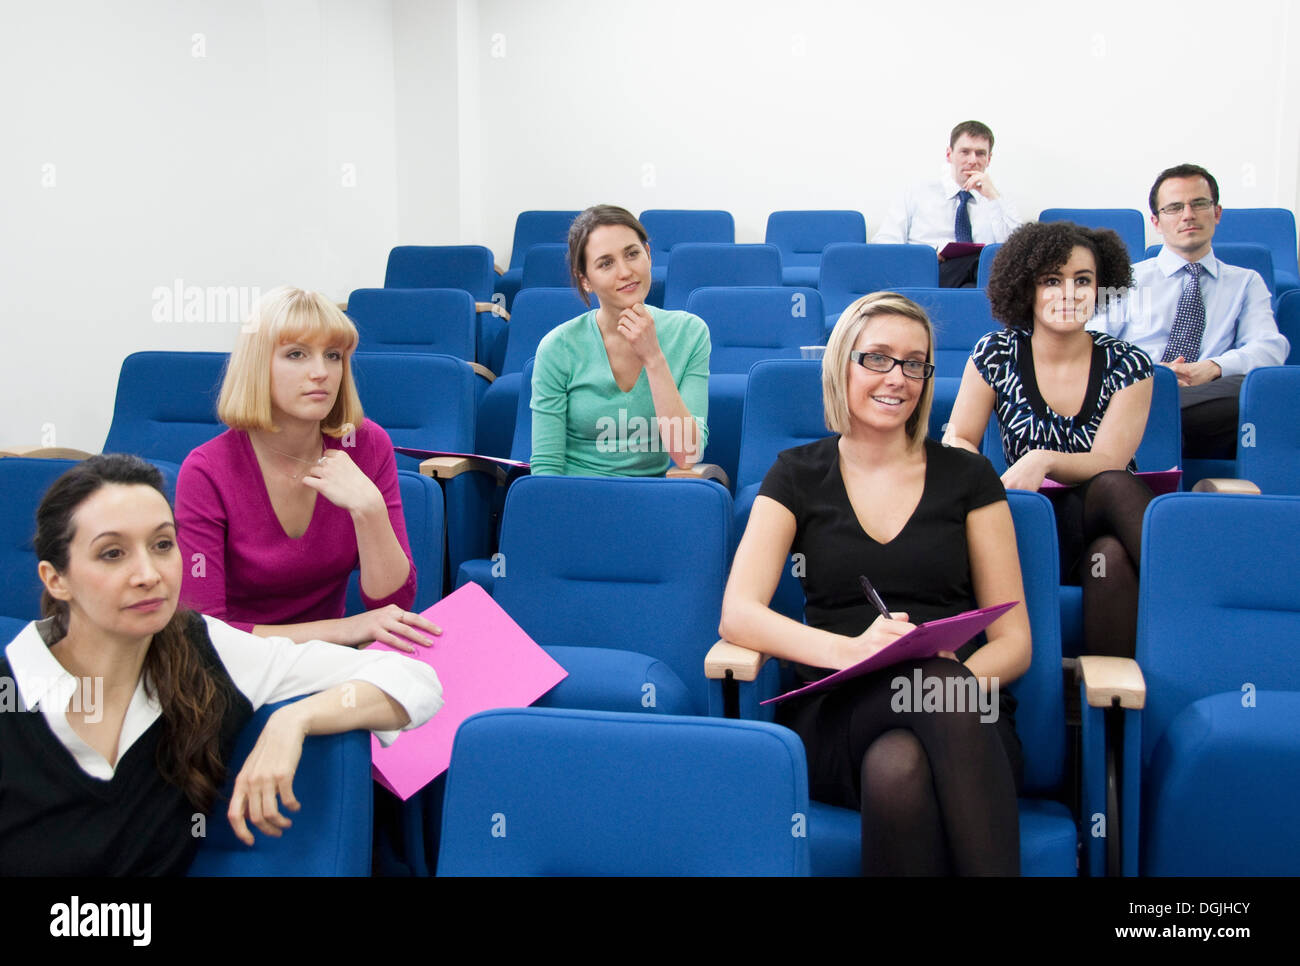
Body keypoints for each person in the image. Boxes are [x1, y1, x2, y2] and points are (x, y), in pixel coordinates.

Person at [0, 454, 444, 875]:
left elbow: (415, 681)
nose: (148, 574)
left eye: (162, 544)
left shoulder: (207, 649)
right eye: (112, 554)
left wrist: (297, 718)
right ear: (55, 579)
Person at [720, 292, 1030, 875]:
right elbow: (738, 613)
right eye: (878, 358)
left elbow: (1015, 643)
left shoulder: (970, 476)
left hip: (964, 717)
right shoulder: (796, 473)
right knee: (919, 703)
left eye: (915, 363)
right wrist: (852, 651)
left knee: (899, 765)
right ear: (843, 365)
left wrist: (943, 685)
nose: (899, 378)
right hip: (840, 709)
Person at [174, 286, 440, 651]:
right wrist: (344, 630)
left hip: (328, 661)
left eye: (333, 355)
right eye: (296, 354)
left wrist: (370, 510)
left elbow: (392, 603)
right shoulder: (207, 470)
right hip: (236, 668)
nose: (321, 372)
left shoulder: (365, 444)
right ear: (256, 366)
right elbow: (204, 632)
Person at [945, 221, 1154, 658]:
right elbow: (959, 438)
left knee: (1111, 559)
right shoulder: (996, 353)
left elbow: (1110, 460)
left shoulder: (1130, 363)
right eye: (1051, 281)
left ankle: (1105, 714)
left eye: (1083, 280)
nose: (1069, 293)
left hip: (1106, 515)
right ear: (1027, 288)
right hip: (1031, 521)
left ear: (1101, 288)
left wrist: (1044, 458)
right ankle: (1190, 591)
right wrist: (987, 480)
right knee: (1111, 511)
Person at [1090, 163, 1289, 459]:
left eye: (1198, 204)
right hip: (1141, 388)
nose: (1188, 215)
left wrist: (1214, 367)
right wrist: (1151, 373)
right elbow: (1090, 342)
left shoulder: (1246, 282)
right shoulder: (1124, 280)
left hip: (1211, 398)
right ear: (1156, 222)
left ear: (1217, 213)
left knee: (1255, 388)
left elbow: (1270, 347)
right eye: (1174, 208)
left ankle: (1154, 428)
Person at [530, 205, 710, 476]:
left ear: (648, 255)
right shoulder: (557, 347)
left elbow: (687, 454)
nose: (625, 272)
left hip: (649, 500)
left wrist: (653, 358)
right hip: (575, 498)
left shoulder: (690, 332)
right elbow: (547, 467)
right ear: (586, 280)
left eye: (632, 254)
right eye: (606, 263)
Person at [872, 120, 1020, 287]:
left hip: (975, 283)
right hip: (928, 273)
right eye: (965, 152)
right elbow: (884, 243)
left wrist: (993, 198)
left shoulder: (999, 200)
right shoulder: (917, 193)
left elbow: (1016, 253)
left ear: (989, 158)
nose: (973, 160)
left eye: (980, 153)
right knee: (981, 267)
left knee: (976, 282)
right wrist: (924, 256)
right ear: (949, 154)